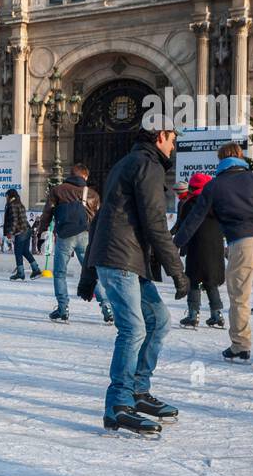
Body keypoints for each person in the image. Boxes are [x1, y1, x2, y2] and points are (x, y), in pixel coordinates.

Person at [78, 127, 189, 435]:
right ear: (159, 137)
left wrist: (89, 274)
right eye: (172, 139)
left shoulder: (127, 163)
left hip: (125, 260)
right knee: (134, 328)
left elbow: (101, 219)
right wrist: (177, 270)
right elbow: (155, 223)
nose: (174, 145)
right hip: (121, 259)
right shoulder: (147, 165)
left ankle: (138, 392)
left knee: (159, 320)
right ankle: (118, 404)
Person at [172, 142, 253, 361]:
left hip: (241, 242)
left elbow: (195, 217)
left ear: (220, 160)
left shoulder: (215, 186)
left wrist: (177, 241)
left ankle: (241, 346)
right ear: (241, 157)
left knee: (240, 297)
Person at [35, 163, 112, 323]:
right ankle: (106, 306)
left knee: (60, 273)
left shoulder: (58, 190)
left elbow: (47, 214)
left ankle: (63, 308)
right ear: (85, 176)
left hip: (65, 236)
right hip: (86, 236)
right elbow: (100, 219)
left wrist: (41, 234)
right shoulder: (93, 194)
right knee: (92, 273)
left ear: (71, 174)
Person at [173, 172, 226, 329]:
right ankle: (217, 315)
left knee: (194, 281)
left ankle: (193, 314)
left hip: (196, 248)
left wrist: (178, 244)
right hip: (215, 249)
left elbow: (183, 226)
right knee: (211, 282)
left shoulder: (189, 204)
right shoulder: (217, 205)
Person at [4, 189, 40, 280]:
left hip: (20, 232)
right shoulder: (19, 204)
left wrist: (10, 233)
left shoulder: (12, 205)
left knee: (18, 252)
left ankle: (20, 273)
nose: (6, 198)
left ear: (10, 196)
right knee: (25, 251)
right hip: (27, 230)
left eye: (6, 196)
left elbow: (14, 220)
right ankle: (36, 269)